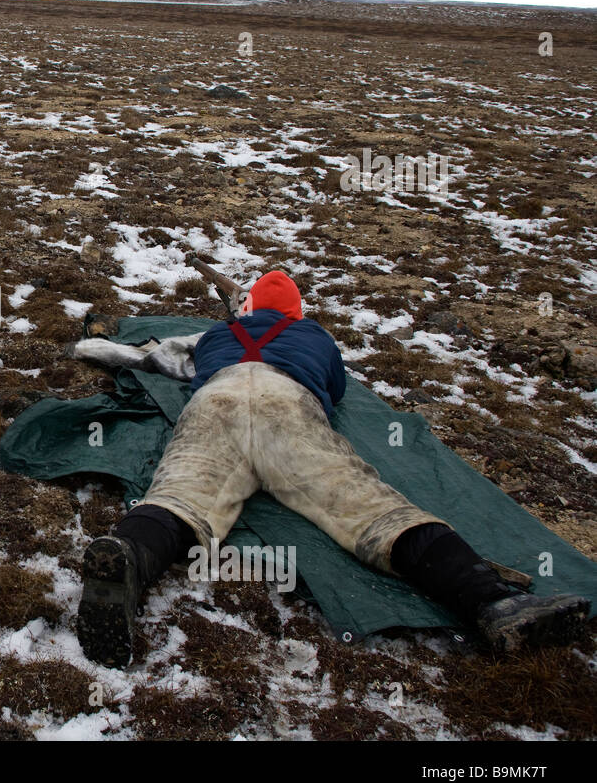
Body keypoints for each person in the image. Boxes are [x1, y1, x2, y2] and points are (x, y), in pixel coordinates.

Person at [68, 269, 591, 668]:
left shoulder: (215, 337)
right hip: (286, 404)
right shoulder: (314, 336)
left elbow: (163, 362)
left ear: (244, 309)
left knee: (179, 498)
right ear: (295, 312)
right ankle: (494, 604)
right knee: (373, 512)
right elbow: (336, 391)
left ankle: (129, 559)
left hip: (217, 398)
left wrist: (104, 349)